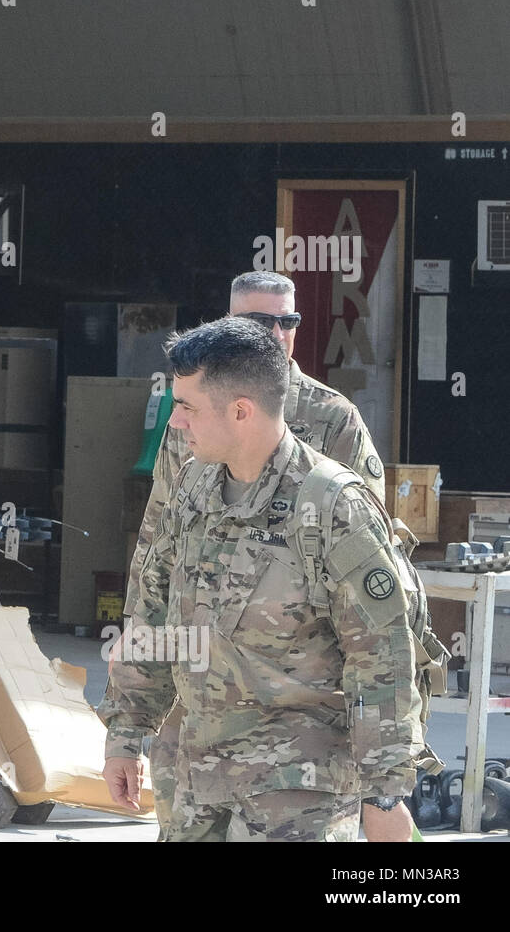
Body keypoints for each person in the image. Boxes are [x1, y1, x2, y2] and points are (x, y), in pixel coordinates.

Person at [98, 317, 424, 841]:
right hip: (200, 773)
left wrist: (384, 792)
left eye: (186, 407)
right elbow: (154, 611)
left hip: (298, 784)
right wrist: (127, 733)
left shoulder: (332, 507)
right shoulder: (194, 486)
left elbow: (381, 654)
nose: (175, 423)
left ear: (241, 411)